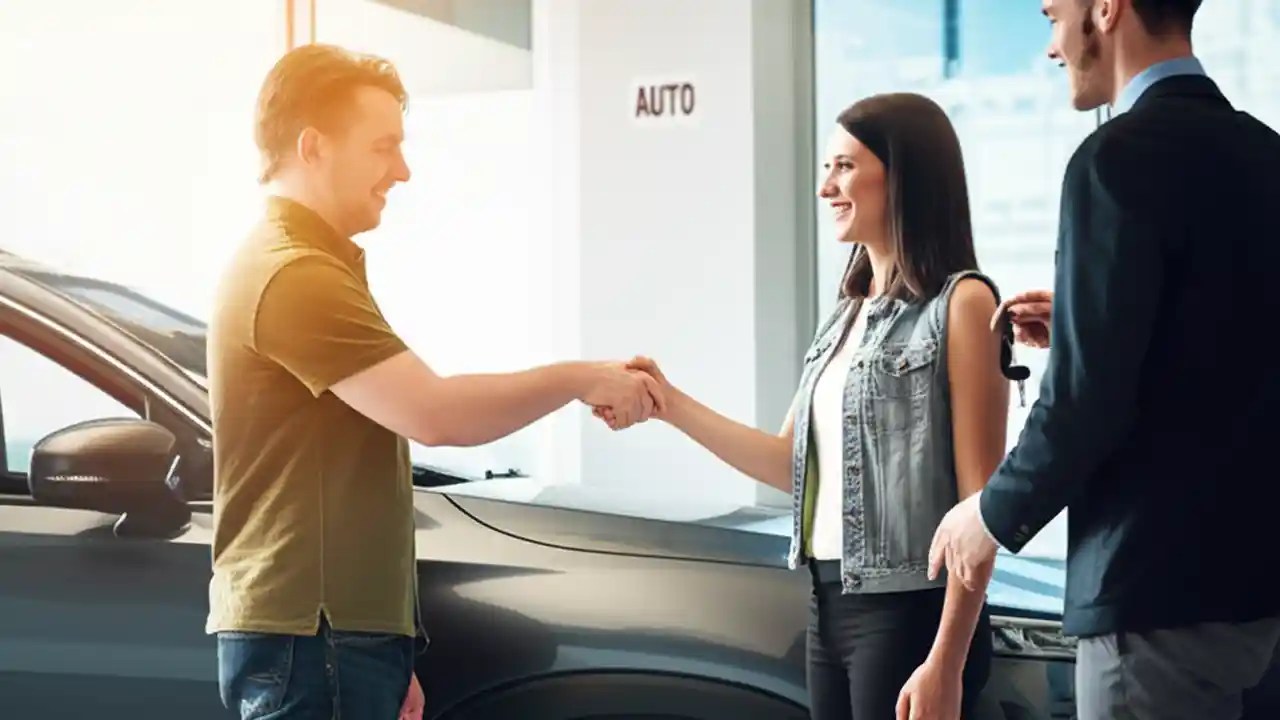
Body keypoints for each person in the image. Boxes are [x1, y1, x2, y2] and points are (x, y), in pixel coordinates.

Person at [206, 44, 663, 720]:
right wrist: (578, 379)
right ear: (313, 147)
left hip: (332, 638)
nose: (403, 170)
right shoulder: (294, 275)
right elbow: (435, 413)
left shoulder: (299, 265)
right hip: (318, 638)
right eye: (383, 147)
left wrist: (387, 651)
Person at [600, 92, 1009, 720]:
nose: (827, 188)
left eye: (844, 166)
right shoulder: (846, 316)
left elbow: (978, 510)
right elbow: (787, 462)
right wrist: (669, 404)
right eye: (826, 168)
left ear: (903, 176)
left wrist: (945, 662)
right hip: (827, 606)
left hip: (909, 615)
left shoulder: (964, 305)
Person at [928, 1, 1280, 718]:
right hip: (1258, 595)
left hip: (1151, 596)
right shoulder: (1265, 153)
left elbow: (1087, 404)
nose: (1053, 47)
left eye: (1055, 16)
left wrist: (989, 516)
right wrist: (1091, 327)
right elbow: (1234, 342)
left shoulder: (1112, 159)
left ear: (1106, 10)